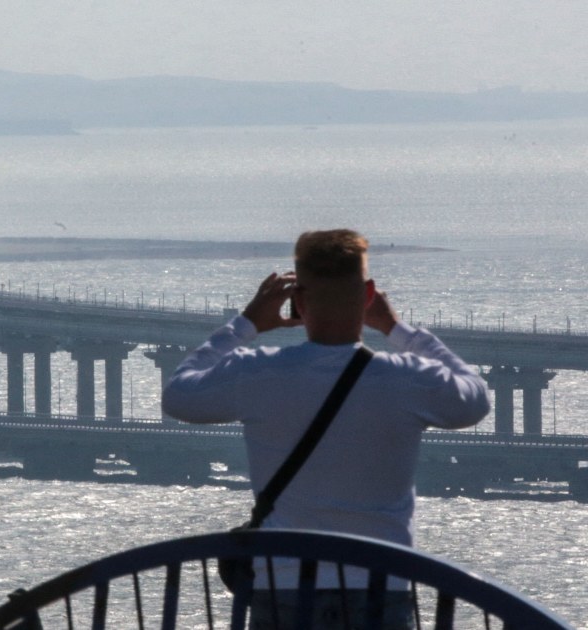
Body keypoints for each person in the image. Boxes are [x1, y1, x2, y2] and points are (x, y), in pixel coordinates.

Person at [161, 229, 489, 629]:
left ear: (298, 301)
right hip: (380, 585)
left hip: (283, 588)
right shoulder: (407, 379)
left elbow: (178, 395)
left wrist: (246, 324)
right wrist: (395, 327)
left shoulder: (256, 372)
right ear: (368, 295)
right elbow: (475, 397)